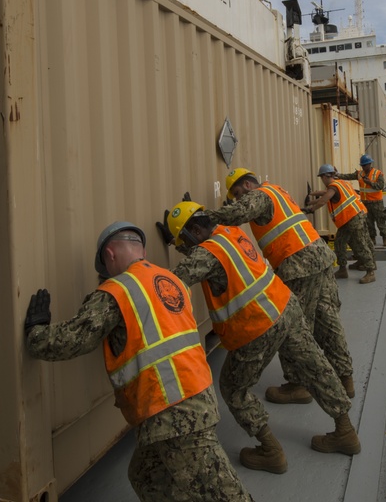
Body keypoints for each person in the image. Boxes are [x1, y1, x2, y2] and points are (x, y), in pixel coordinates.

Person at [24, 222, 252, 502]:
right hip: (193, 395)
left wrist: (37, 332)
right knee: (146, 476)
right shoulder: (170, 280)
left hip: (173, 412)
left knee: (222, 493)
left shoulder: (116, 291)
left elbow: (73, 340)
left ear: (109, 254)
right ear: (142, 250)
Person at [165, 202, 361, 474]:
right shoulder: (231, 231)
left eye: (184, 240)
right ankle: (346, 430)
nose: (185, 246)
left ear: (196, 230)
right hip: (285, 307)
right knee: (315, 365)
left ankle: (270, 451)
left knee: (233, 388)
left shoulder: (205, 254)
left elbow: (170, 285)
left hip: (257, 326)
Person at [200, 168, 355, 406]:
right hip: (319, 256)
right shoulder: (276, 190)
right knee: (327, 320)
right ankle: (345, 378)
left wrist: (204, 217)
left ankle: (298, 385)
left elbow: (238, 213)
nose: (240, 198)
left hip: (297, 263)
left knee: (294, 328)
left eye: (239, 193)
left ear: (248, 185)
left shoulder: (259, 195)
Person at [305, 164, 377, 284]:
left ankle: (370, 271)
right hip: (351, 219)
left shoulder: (333, 187)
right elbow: (325, 195)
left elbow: (324, 200)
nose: (322, 180)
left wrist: (311, 209)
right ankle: (343, 269)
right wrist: (311, 201)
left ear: (325, 176)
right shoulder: (341, 183)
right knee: (339, 243)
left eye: (322, 178)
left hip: (353, 218)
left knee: (360, 244)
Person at [338, 154, 386, 247]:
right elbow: (348, 176)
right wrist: (337, 175)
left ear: (370, 164)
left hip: (377, 203)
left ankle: (385, 238)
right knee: (369, 223)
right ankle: (372, 239)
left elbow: (380, 186)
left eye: (365, 165)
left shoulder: (377, 174)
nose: (364, 167)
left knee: (381, 222)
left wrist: (370, 183)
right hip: (365, 203)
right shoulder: (360, 174)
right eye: (362, 165)